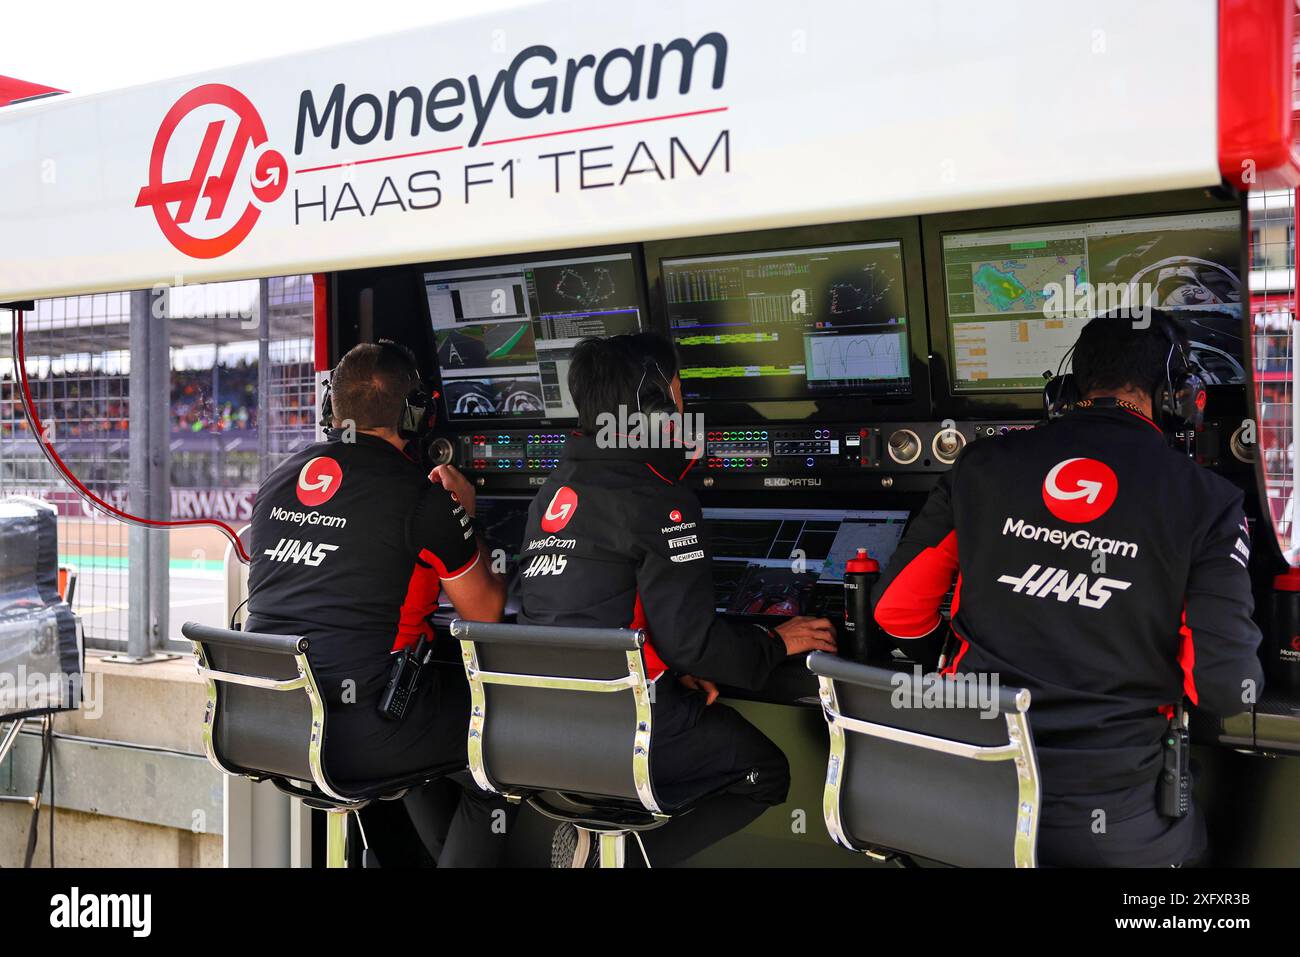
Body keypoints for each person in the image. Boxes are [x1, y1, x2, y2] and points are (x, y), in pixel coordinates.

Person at [871, 310, 1264, 867]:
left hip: (969, 805)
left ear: (1062, 393)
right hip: (1113, 828)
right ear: (1178, 399)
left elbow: (896, 613)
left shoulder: (979, 467)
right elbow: (1224, 690)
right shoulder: (1211, 503)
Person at [517, 332, 837, 867]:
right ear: (654, 406)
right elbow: (693, 643)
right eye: (678, 394)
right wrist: (773, 642)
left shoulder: (553, 491)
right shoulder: (658, 500)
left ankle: (598, 845)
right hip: (627, 726)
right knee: (764, 772)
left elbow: (600, 616)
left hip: (540, 725)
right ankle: (622, 855)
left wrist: (668, 665)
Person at [245, 341, 512, 866]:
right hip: (363, 730)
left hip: (270, 720)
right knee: (504, 743)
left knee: (411, 718)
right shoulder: (422, 499)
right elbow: (486, 612)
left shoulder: (276, 482)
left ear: (331, 407)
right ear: (416, 412)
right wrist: (466, 514)